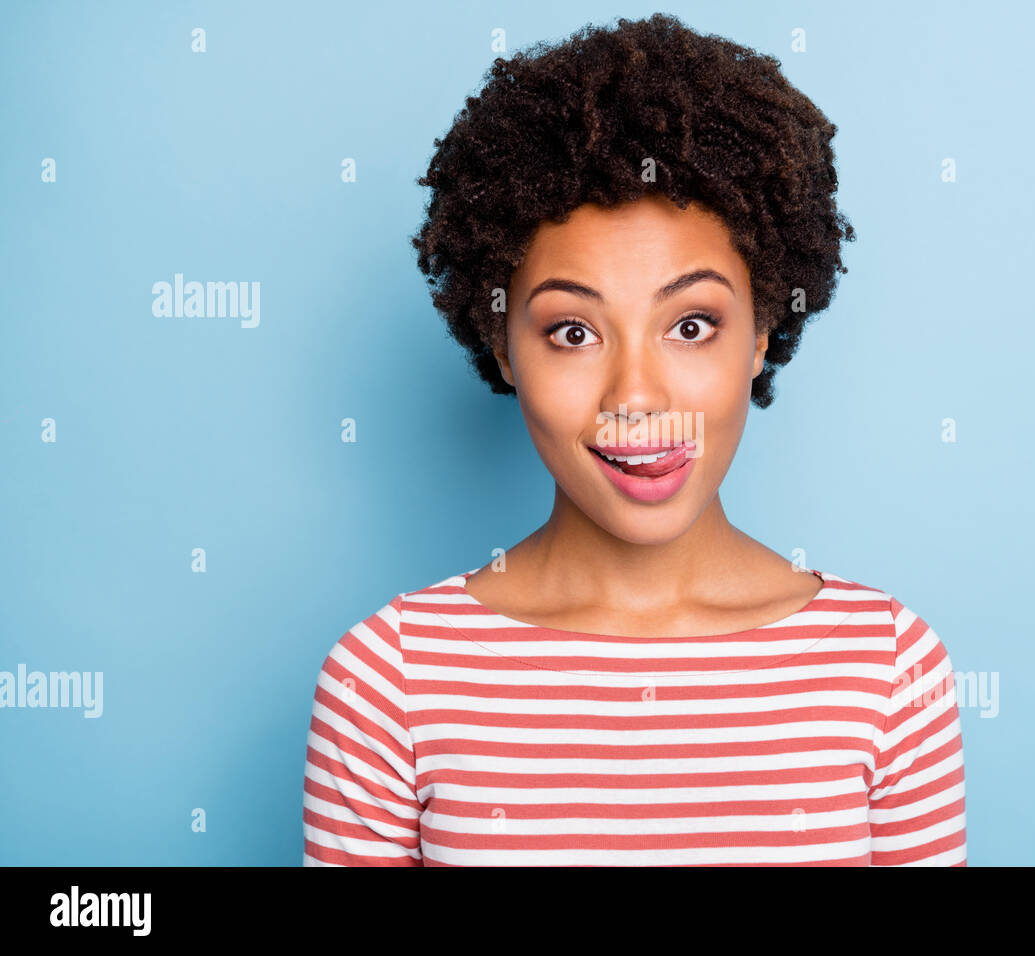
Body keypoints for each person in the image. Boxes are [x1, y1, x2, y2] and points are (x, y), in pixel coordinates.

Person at [302, 12, 966, 866]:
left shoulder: (887, 669)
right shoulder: (387, 682)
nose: (637, 399)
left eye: (691, 324)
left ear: (761, 332)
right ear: (503, 346)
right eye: (573, 332)